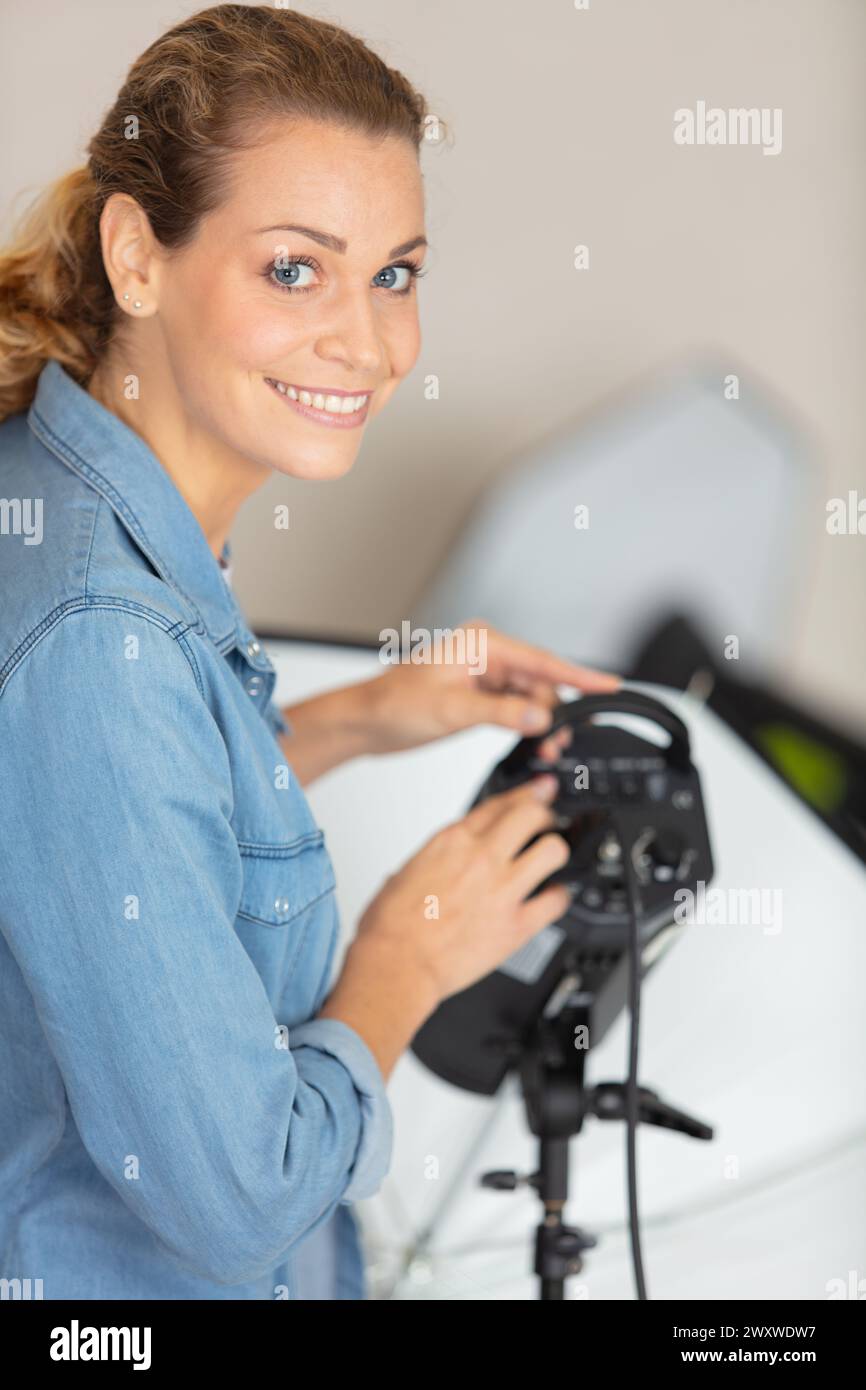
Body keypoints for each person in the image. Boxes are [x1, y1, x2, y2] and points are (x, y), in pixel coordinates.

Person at [0, 4, 618, 1300]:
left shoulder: (56, 499)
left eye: (395, 272)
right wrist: (409, 952)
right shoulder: (100, 639)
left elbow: (90, 826)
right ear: (136, 255)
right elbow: (237, 1198)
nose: (370, 341)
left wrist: (360, 716)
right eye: (296, 267)